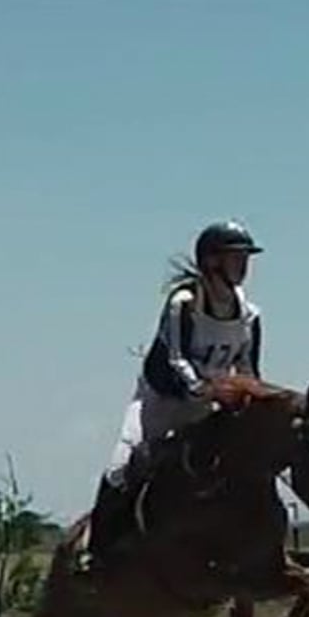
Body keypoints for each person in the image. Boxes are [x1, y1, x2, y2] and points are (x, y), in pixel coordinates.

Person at [83, 220, 266, 567]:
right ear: (211, 262)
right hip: (161, 402)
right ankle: (95, 551)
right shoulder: (184, 302)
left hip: (212, 406)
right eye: (235, 258)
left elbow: (248, 371)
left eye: (245, 258)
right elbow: (175, 358)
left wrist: (252, 402)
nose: (244, 266)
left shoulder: (250, 315)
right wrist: (205, 390)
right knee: (120, 468)